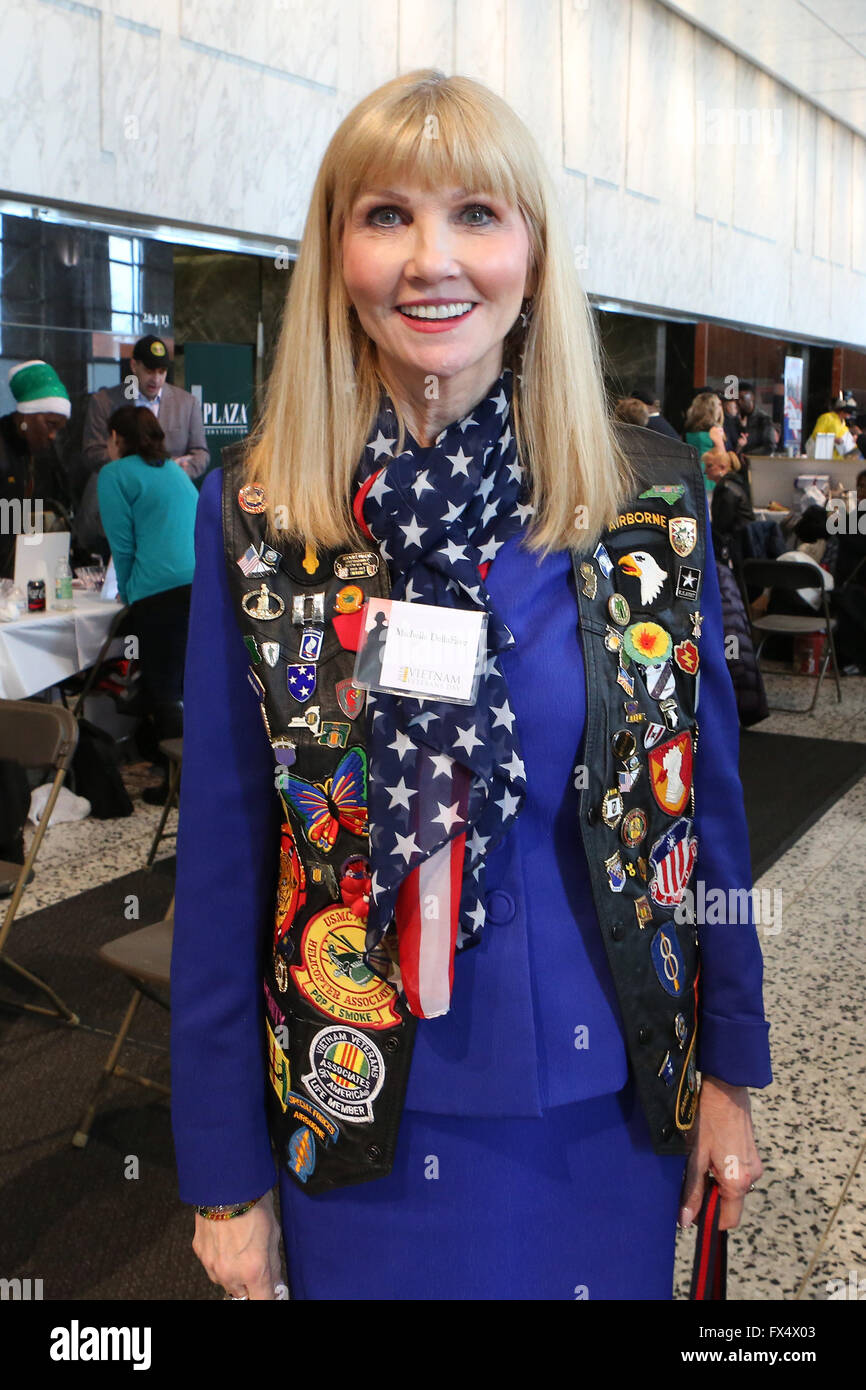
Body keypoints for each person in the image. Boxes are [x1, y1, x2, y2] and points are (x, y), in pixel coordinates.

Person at [171, 70, 770, 1302]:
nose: (429, 260)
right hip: (361, 1117)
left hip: (602, 1113)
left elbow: (704, 819)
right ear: (336, 251)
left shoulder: (644, 503)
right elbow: (230, 856)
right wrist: (223, 1178)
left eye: (476, 216)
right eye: (386, 214)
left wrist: (728, 1071)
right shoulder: (259, 517)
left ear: (536, 254)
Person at [97, 405, 199, 804]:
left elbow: (121, 544)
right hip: (199, 584)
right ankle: (184, 774)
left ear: (117, 439)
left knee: (164, 688)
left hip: (159, 591)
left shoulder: (114, 474)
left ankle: (177, 785)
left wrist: (126, 590)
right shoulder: (172, 469)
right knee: (184, 683)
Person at [0, 360, 72, 577]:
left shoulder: (41, 452)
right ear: (26, 415)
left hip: (24, 568)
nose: (53, 436)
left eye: (58, 428)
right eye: (50, 424)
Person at [683, 390, 732, 493]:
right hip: (710, 477)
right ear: (712, 409)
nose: (721, 408)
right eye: (718, 404)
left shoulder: (688, 430)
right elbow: (722, 459)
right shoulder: (714, 431)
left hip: (691, 476)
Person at [806, 391, 861, 460]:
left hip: (835, 457)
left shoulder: (843, 423)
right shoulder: (827, 417)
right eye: (849, 412)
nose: (850, 414)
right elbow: (816, 434)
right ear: (842, 410)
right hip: (821, 455)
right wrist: (834, 439)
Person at [736, 383, 775, 455]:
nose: (739, 402)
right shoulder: (735, 418)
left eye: (742, 398)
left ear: (752, 397)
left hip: (756, 462)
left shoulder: (764, 419)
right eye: (737, 399)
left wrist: (747, 455)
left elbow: (769, 447)